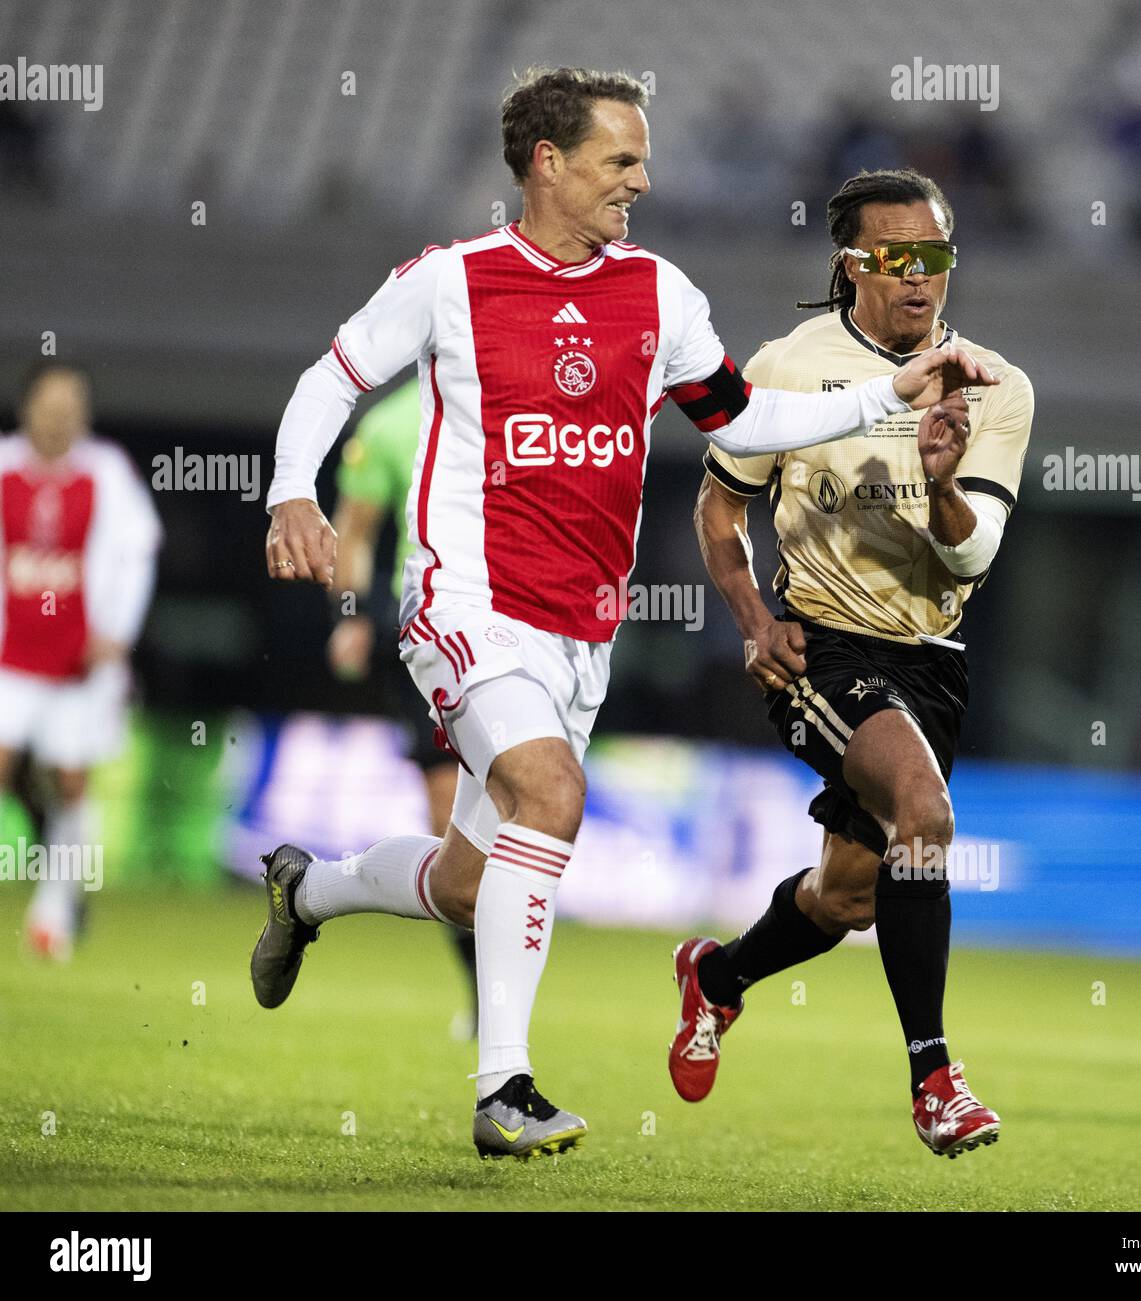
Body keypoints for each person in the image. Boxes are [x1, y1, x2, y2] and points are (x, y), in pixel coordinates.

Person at [254, 69, 997, 1161]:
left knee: (470, 883)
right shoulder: (450, 281)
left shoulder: (656, 293)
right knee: (551, 795)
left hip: (576, 634)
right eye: (620, 160)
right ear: (547, 163)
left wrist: (888, 393)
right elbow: (334, 375)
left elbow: (743, 416)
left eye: (642, 160)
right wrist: (289, 490)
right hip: (465, 598)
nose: (640, 180)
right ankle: (503, 1086)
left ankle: (304, 889)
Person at [672, 168, 1033, 1159]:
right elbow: (718, 505)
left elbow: (972, 553)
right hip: (820, 648)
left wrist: (942, 483)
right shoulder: (789, 365)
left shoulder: (994, 385)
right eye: (898, 258)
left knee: (846, 898)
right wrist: (751, 615)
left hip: (934, 662)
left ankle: (716, 978)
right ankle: (934, 1078)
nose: (922, 278)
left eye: (937, 256)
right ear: (853, 265)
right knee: (923, 815)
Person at [327, 376, 478, 1039]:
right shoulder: (388, 425)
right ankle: (486, 1001)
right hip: (432, 637)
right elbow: (354, 531)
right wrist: (351, 614)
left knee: (526, 809)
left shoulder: (521, 396)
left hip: (526, 629)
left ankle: (316, 894)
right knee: (452, 828)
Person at [0, 361, 162, 959]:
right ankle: (51, 874)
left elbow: (139, 552)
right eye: (53, 401)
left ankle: (56, 910)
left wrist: (117, 632)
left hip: (80, 660)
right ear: (27, 408)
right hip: (11, 654)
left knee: (71, 781)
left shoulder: (107, 472)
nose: (64, 412)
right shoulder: (4, 467)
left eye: (75, 402)